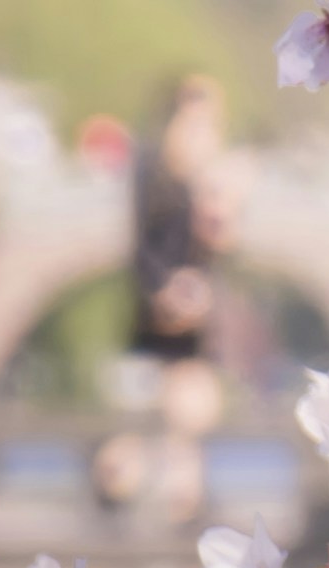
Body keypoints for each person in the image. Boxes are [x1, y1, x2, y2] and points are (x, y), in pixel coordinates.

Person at [97, 72, 243, 524]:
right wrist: (166, 289)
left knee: (189, 432)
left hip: (192, 331)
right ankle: (117, 508)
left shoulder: (210, 180)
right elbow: (140, 248)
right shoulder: (151, 170)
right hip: (152, 322)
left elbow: (218, 252)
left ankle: (183, 525)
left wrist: (218, 213)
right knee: (136, 437)